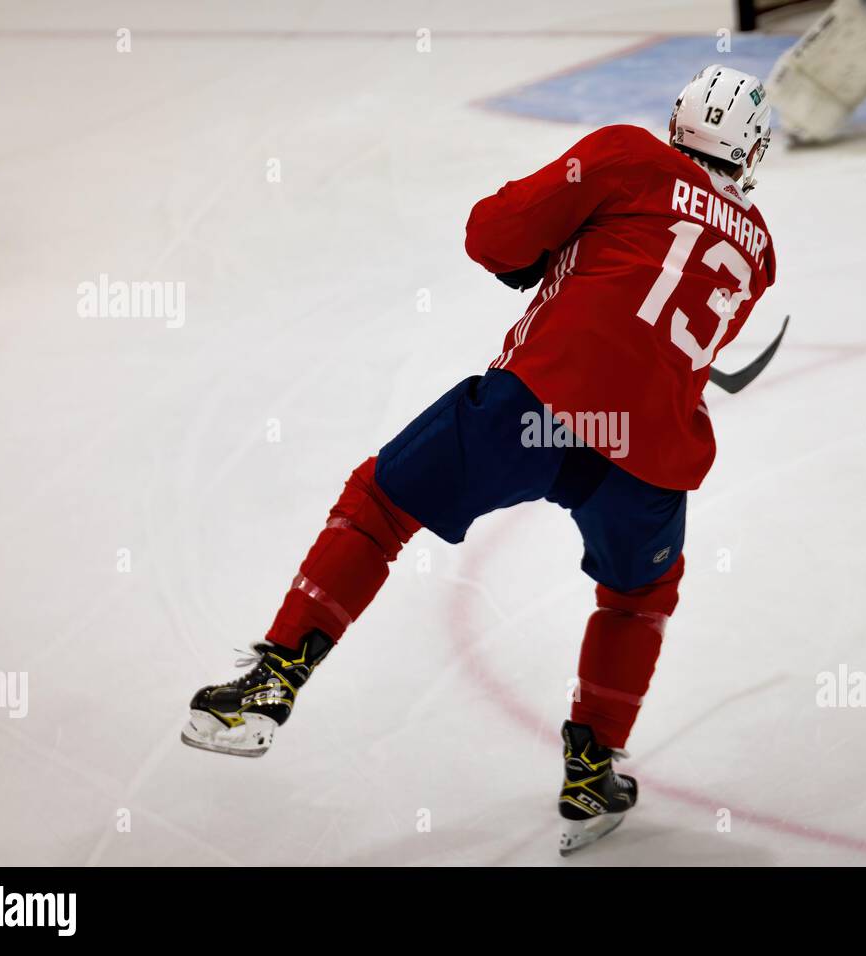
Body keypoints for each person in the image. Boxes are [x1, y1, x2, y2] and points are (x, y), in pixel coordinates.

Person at [181, 64, 777, 854]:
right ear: (753, 150)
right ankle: (592, 769)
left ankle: (270, 683)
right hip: (646, 458)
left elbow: (492, 232)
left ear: (677, 122)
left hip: (540, 413)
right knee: (638, 594)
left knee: (382, 502)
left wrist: (543, 252)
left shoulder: (628, 154)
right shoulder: (760, 250)